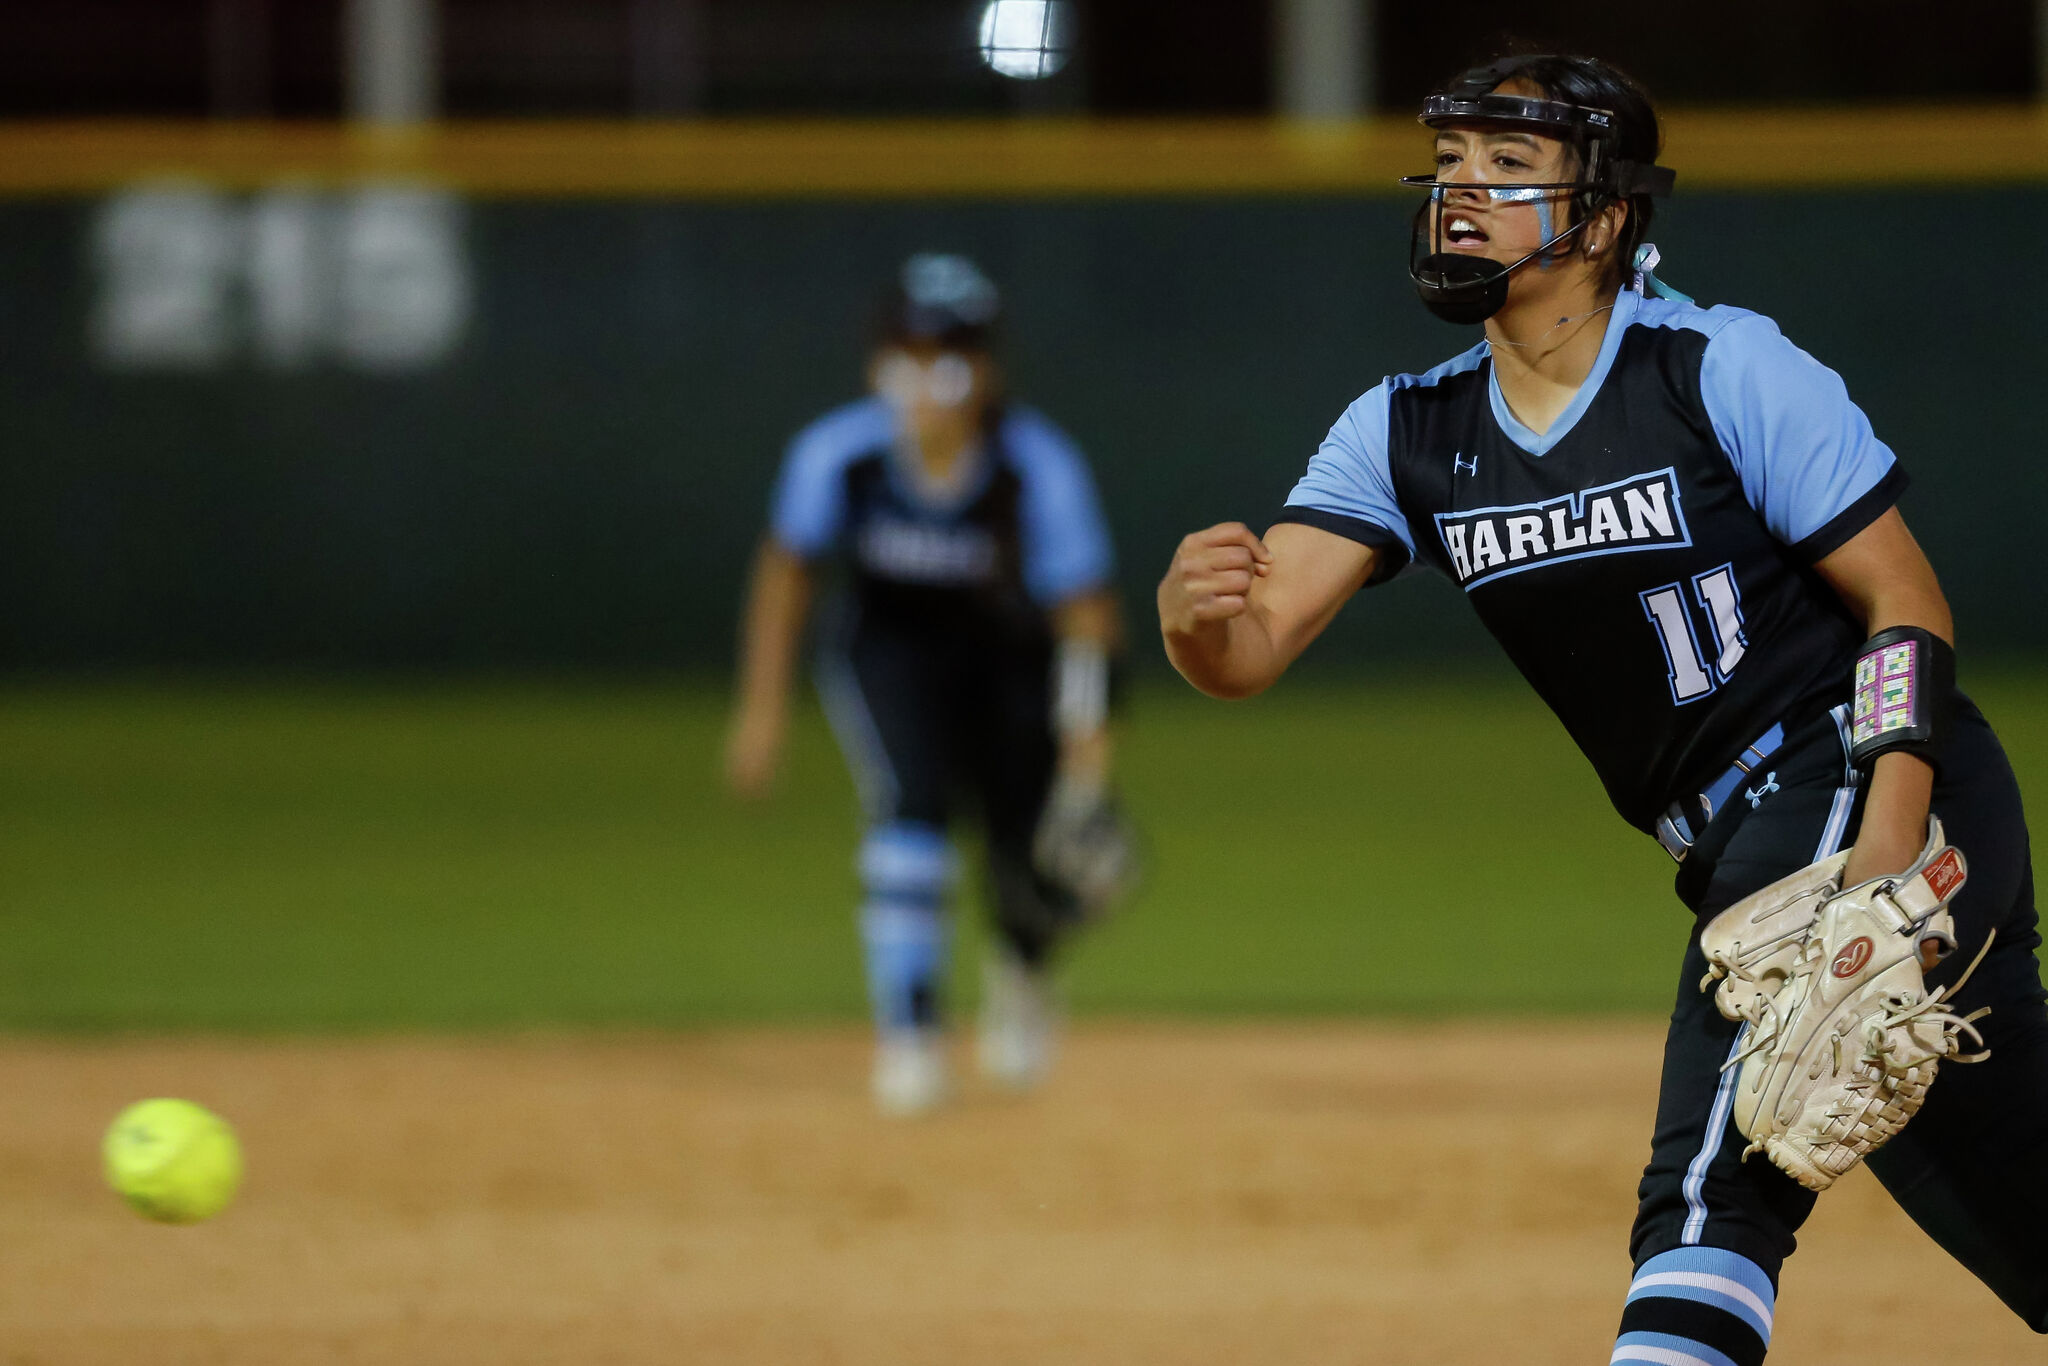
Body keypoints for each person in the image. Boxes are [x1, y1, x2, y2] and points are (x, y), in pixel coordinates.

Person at [1157, 52, 2047, 1363]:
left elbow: (1908, 609)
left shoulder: (1716, 365)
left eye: (1510, 169)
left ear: (1610, 214)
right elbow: (1248, 648)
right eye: (1454, 163)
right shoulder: (1408, 430)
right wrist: (1194, 618)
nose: (1464, 195)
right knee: (2010, 1192)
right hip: (1739, 844)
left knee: (1707, 1190)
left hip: (1863, 781)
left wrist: (1879, 871)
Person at [726, 252, 1125, 1116]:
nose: (930, 378)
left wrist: (1089, 761)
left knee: (1026, 849)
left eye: (953, 355)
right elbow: (786, 573)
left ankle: (1021, 972)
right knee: (911, 808)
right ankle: (910, 1034)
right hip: (891, 653)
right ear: (878, 363)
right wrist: (761, 713)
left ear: (988, 369)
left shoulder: (1037, 468)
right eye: (909, 353)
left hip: (1014, 667)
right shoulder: (840, 455)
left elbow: (1088, 620)